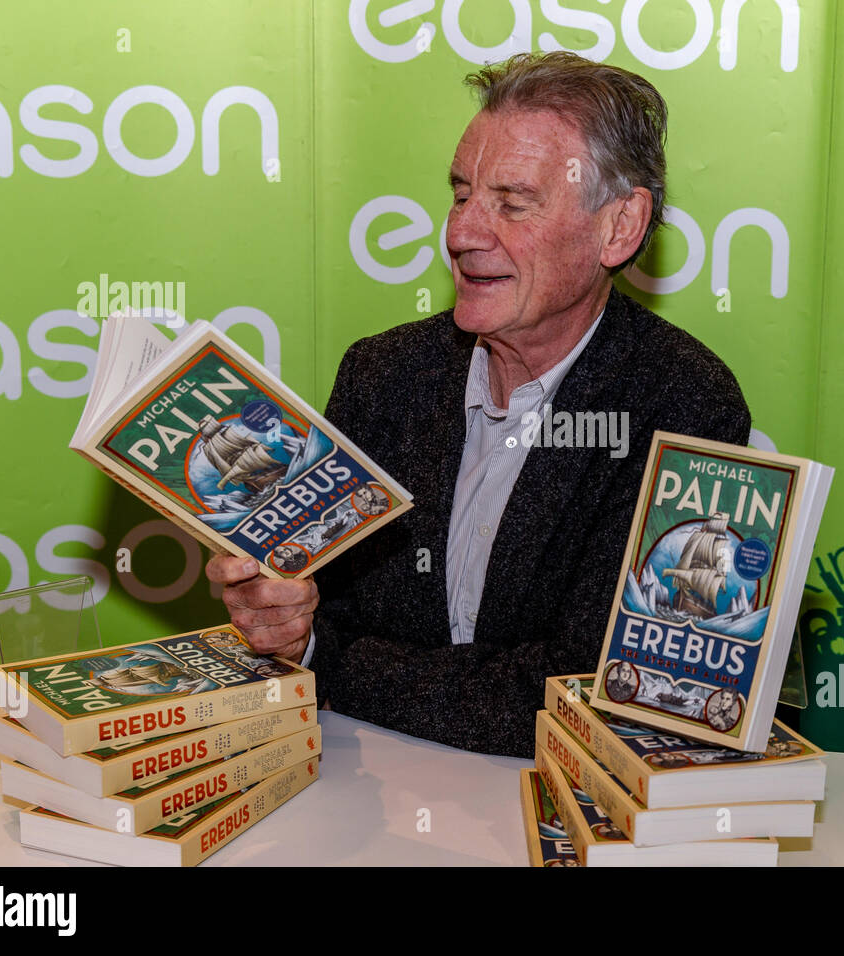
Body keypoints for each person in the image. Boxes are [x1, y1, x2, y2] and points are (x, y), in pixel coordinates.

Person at [207, 51, 751, 757]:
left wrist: (336, 661)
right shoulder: (383, 374)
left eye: (512, 203)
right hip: (358, 804)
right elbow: (320, 616)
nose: (461, 233)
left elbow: (599, 695)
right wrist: (289, 627)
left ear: (619, 227)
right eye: (462, 195)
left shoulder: (684, 403)